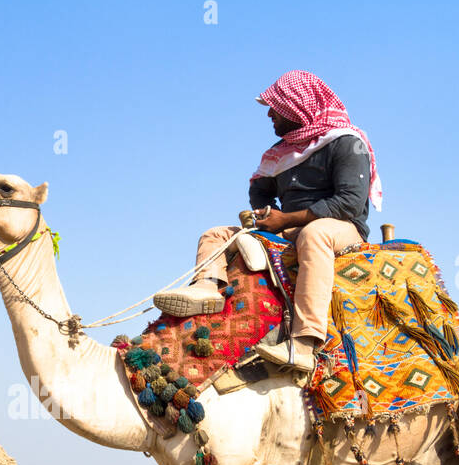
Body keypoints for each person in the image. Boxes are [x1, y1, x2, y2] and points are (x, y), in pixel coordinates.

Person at [154, 70, 382, 372]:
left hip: (341, 228)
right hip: (287, 227)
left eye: (276, 108)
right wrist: (263, 213)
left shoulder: (347, 143)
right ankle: (207, 288)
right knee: (216, 234)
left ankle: (305, 341)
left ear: (297, 106)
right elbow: (259, 189)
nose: (271, 115)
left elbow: (349, 203)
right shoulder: (282, 153)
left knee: (314, 235)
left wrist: (284, 219)